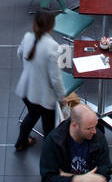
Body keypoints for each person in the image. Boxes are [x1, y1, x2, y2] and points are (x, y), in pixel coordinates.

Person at [35, 104, 112, 182]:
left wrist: (66, 176)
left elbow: (104, 175)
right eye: (89, 128)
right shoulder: (54, 141)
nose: (94, 131)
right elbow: (49, 181)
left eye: (95, 126)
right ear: (75, 125)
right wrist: (79, 179)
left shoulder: (98, 138)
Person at [14, 11, 71, 152]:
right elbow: (55, 79)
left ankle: (21, 142)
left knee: (32, 116)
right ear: (51, 27)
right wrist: (62, 97)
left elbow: (20, 54)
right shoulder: (53, 47)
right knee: (48, 128)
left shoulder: (27, 37)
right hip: (43, 97)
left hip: (26, 90)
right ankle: (49, 154)